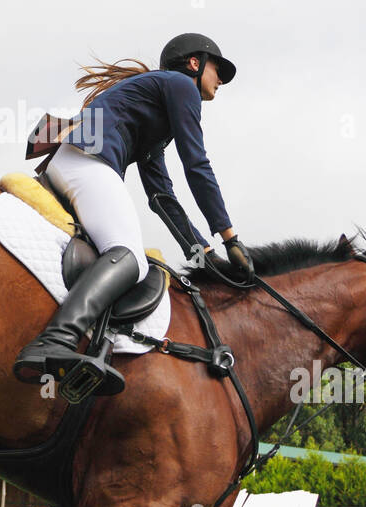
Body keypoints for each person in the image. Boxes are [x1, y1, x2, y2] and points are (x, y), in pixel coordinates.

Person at [13, 32, 254, 395]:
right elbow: (197, 165)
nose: (220, 79)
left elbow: (161, 196)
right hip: (87, 160)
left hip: (72, 161)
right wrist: (230, 237)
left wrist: (202, 254)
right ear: (195, 63)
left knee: (124, 254)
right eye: (217, 69)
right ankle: (56, 339)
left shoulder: (157, 117)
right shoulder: (181, 86)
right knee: (130, 257)